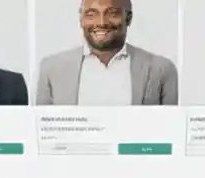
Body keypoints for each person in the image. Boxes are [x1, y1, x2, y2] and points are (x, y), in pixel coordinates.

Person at [36, 0, 178, 106]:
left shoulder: (161, 69)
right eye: (91, 14)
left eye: (112, 13)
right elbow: (40, 134)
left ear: (128, 18)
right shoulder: (52, 69)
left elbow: (170, 134)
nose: (102, 22)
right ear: (81, 20)